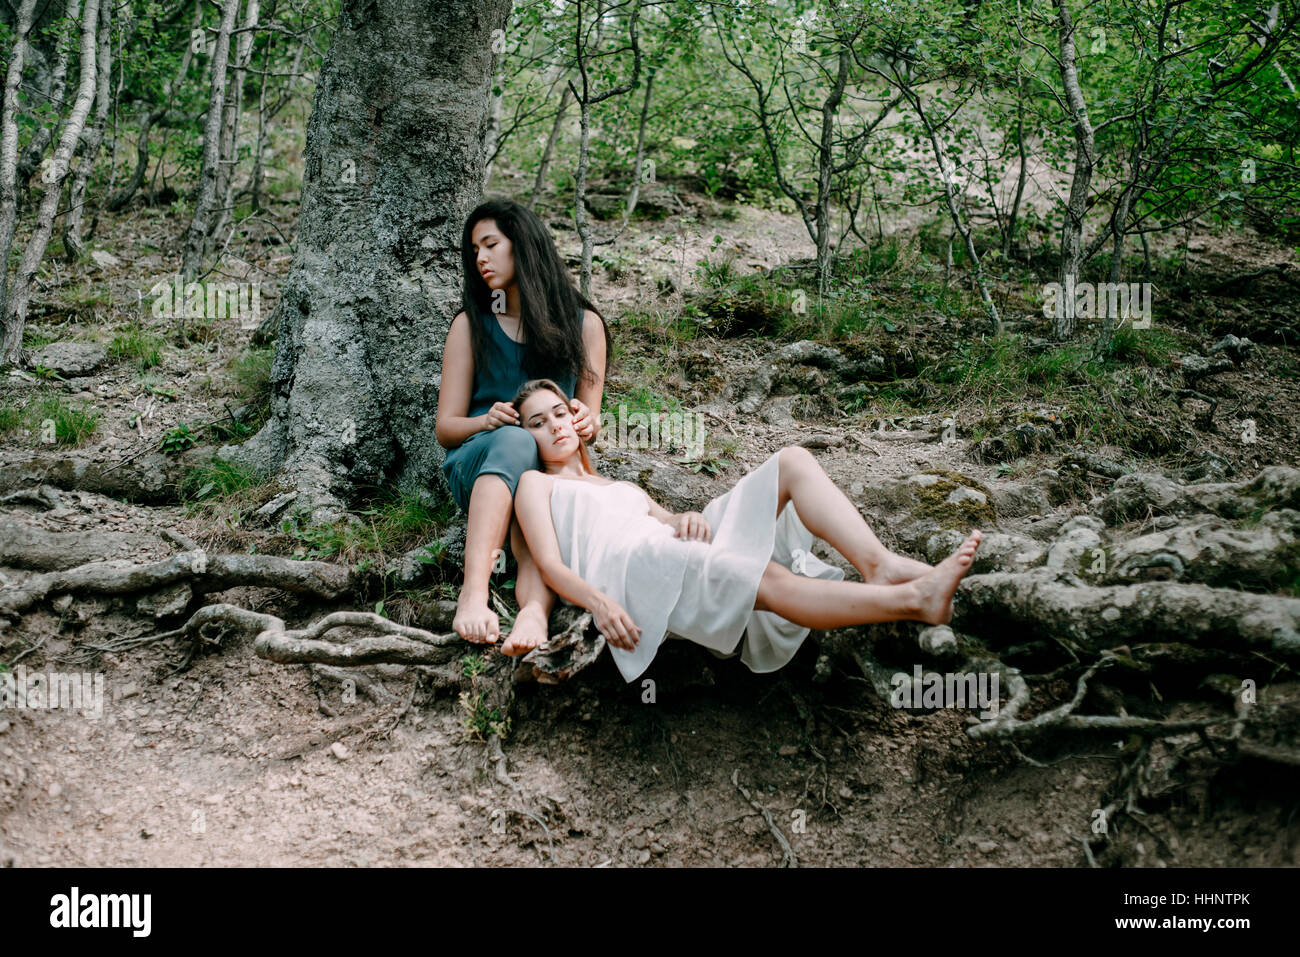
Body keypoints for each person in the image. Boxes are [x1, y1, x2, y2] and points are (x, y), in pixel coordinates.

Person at [507, 378, 984, 680]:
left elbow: (665, 519)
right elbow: (548, 563)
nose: (554, 426)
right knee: (767, 579)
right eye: (536, 422)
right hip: (636, 568)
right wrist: (599, 601)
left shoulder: (613, 482)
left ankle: (879, 565)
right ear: (523, 436)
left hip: (666, 543)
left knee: (792, 462)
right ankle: (913, 601)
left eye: (559, 413)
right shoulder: (534, 484)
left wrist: (682, 517)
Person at [435, 199, 610, 655]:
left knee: (536, 482)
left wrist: (585, 421)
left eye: (490, 244)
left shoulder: (584, 324)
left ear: (524, 246)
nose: (480, 259)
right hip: (480, 464)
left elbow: (587, 422)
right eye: (474, 251)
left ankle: (534, 609)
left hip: (550, 472)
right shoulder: (471, 326)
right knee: (515, 442)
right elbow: (446, 429)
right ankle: (474, 592)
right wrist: (484, 420)